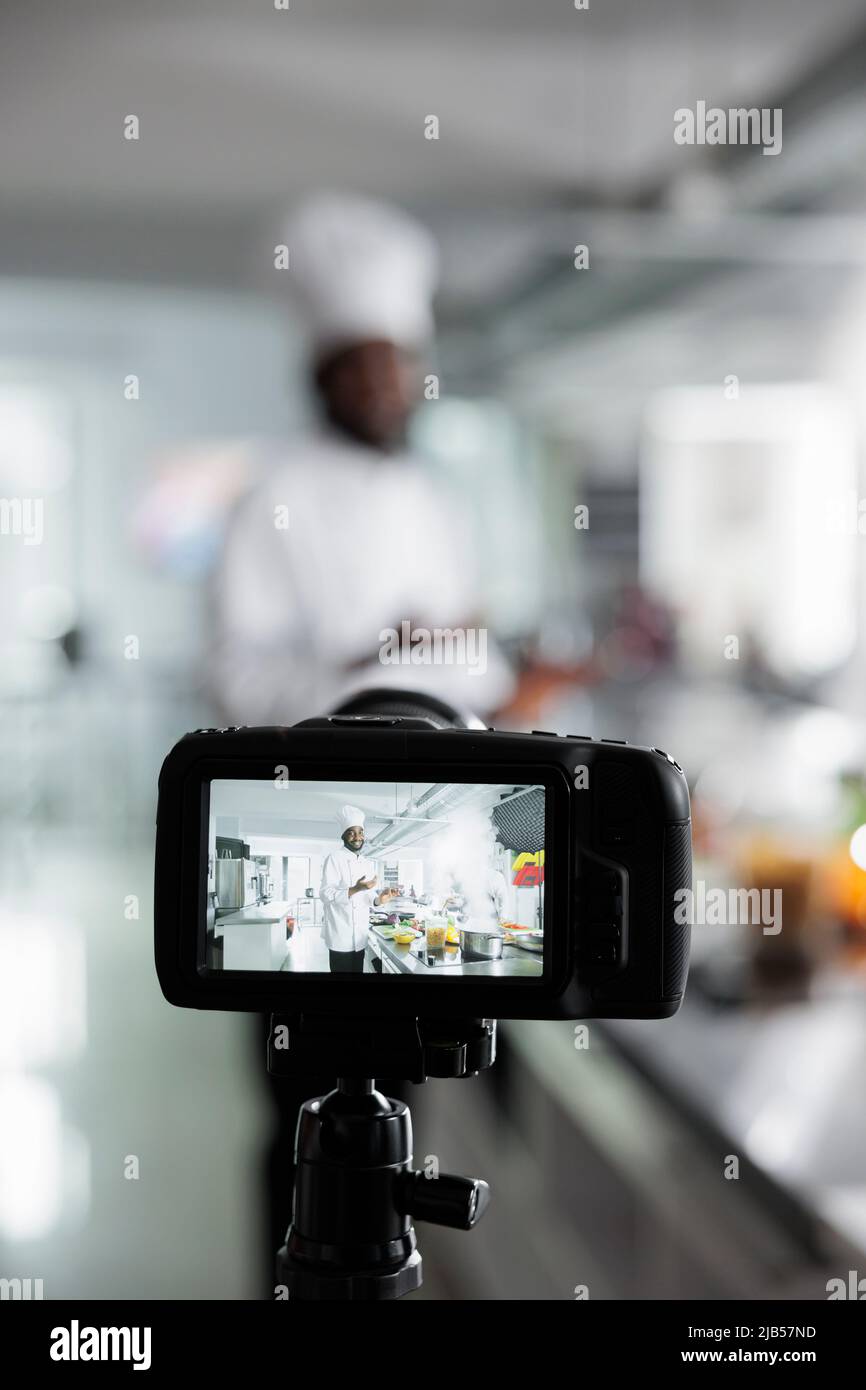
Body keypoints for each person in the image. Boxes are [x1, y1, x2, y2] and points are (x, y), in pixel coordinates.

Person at [207, 191, 515, 728]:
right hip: (317, 793)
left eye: (395, 367)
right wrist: (372, 661)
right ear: (321, 379)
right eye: (360, 369)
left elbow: (472, 671)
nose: (381, 389)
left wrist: (493, 673)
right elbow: (236, 685)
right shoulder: (272, 499)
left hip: (447, 793)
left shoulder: (430, 497)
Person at [320, 804, 398, 972]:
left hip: (360, 936)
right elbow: (325, 894)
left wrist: (378, 900)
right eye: (352, 832)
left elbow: (367, 896)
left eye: (360, 832)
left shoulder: (366, 863)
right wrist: (354, 889)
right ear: (343, 836)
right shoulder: (334, 858)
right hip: (340, 935)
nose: (357, 837)